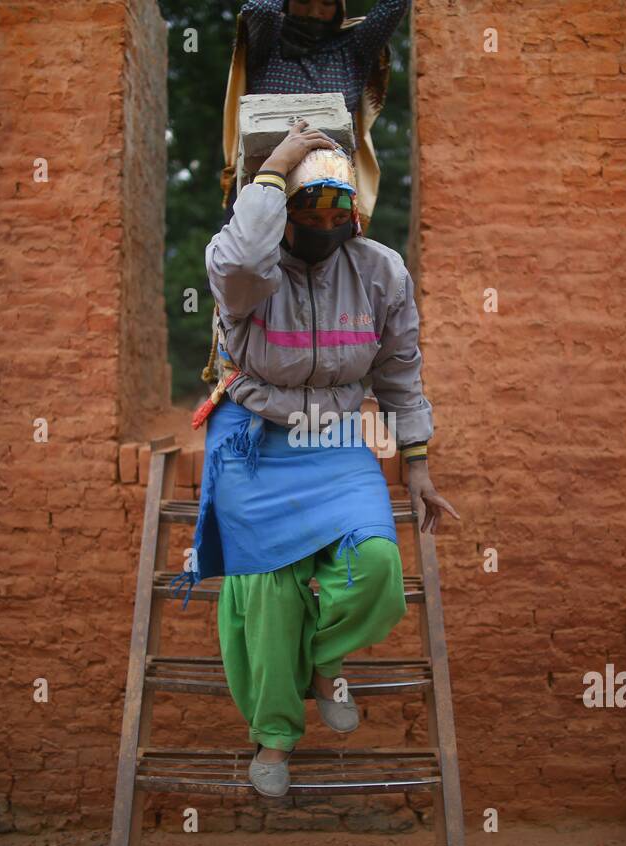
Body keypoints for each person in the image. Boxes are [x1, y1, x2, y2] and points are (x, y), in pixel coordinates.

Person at [172, 119, 458, 797]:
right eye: (310, 206)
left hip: (333, 437)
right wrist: (277, 167)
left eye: (340, 206)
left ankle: (324, 657)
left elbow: (400, 370)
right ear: (284, 211)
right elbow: (242, 258)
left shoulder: (380, 270)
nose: (328, 220)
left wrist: (417, 463)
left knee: (377, 566)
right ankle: (274, 735)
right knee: (268, 589)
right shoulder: (244, 270)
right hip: (253, 435)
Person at [220, 0, 411, 231]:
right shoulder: (266, 44)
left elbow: (395, 5)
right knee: (247, 256)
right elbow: (262, 9)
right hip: (265, 178)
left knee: (332, 258)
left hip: (330, 185)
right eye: (303, 1)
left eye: (326, 3)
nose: (313, 12)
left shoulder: (354, 49)